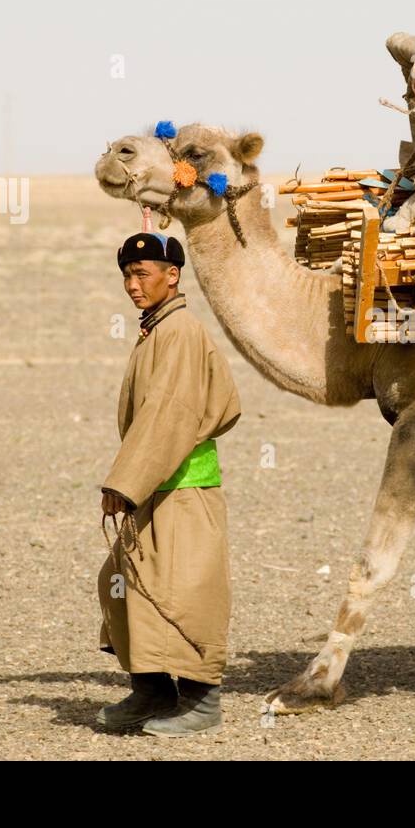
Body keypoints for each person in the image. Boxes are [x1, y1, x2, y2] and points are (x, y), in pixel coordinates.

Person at [95, 231, 241, 737]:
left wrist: (125, 482)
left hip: (181, 486)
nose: (132, 285)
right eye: (127, 276)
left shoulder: (179, 331)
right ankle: (153, 692)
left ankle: (202, 702)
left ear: (172, 276)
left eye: (142, 275)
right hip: (156, 484)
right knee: (124, 583)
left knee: (183, 591)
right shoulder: (158, 328)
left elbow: (169, 415)